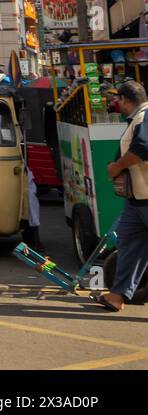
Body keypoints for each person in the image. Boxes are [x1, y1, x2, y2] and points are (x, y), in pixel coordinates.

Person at [91, 80, 148, 313]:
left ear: (125, 100)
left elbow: (144, 148)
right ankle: (117, 296)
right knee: (129, 244)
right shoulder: (137, 119)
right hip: (137, 199)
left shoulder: (144, 117)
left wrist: (116, 167)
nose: (116, 104)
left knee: (131, 244)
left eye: (118, 99)